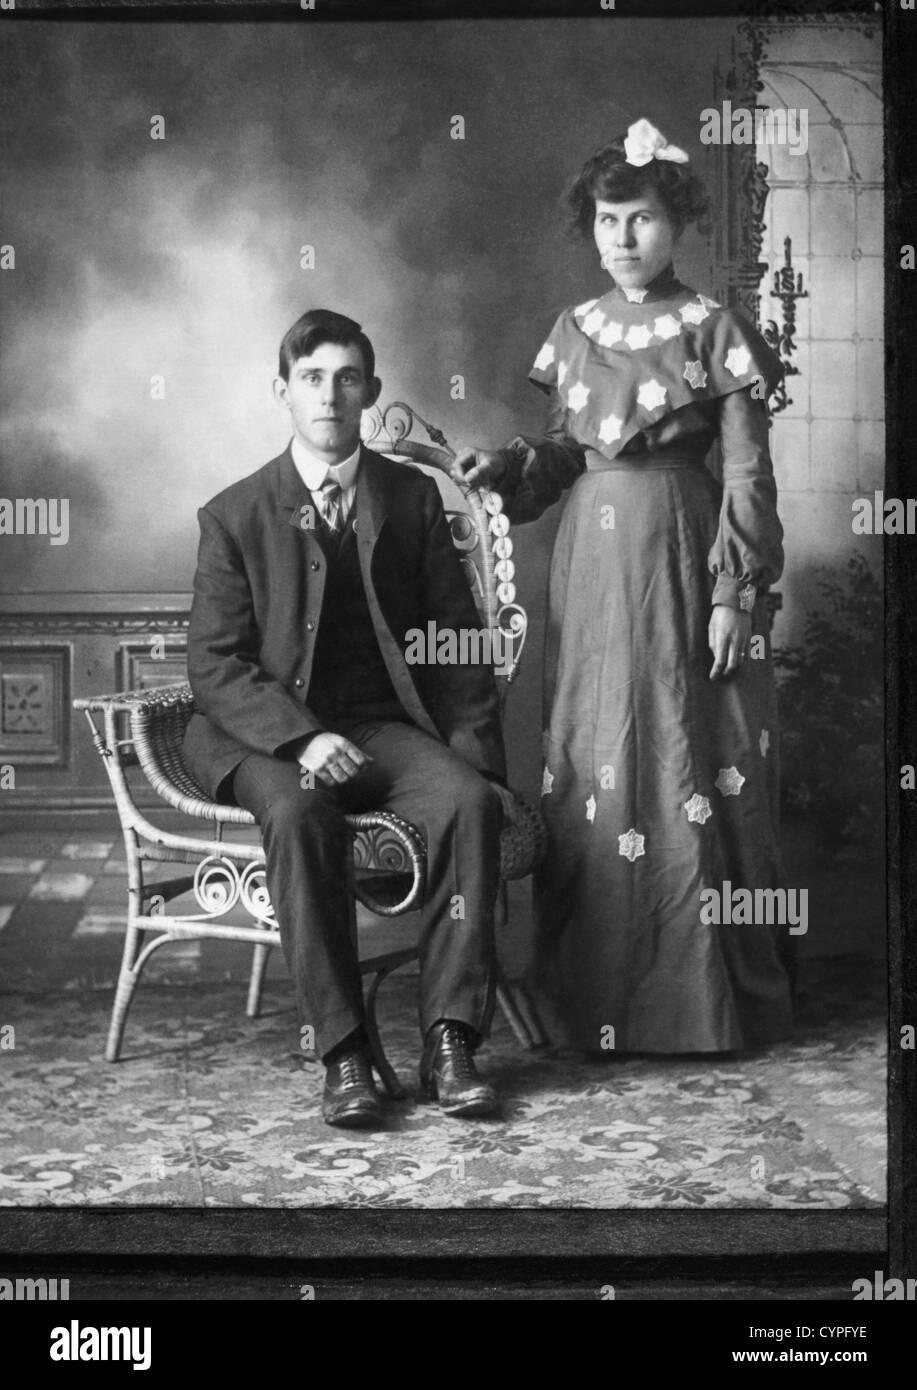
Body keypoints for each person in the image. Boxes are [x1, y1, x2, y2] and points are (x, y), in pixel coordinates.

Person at [452, 119, 795, 1054]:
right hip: (594, 569)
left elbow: (747, 475)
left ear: (674, 222)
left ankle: (698, 1001)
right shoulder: (575, 331)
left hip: (684, 560)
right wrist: (509, 465)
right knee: (596, 755)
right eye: (607, 222)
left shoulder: (715, 329)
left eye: (640, 220)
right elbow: (566, 454)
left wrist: (732, 593)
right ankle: (592, 994)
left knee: (695, 745)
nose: (622, 240)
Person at [184, 308, 513, 1126]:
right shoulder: (234, 513)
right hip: (259, 733)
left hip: (374, 725)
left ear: (370, 390)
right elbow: (214, 665)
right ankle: (345, 1053)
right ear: (283, 391)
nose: (329, 395)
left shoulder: (409, 497)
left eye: (346, 378)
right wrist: (301, 735)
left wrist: (479, 763)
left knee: (466, 805)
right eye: (311, 378)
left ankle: (449, 1041)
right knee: (300, 813)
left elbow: (453, 643)